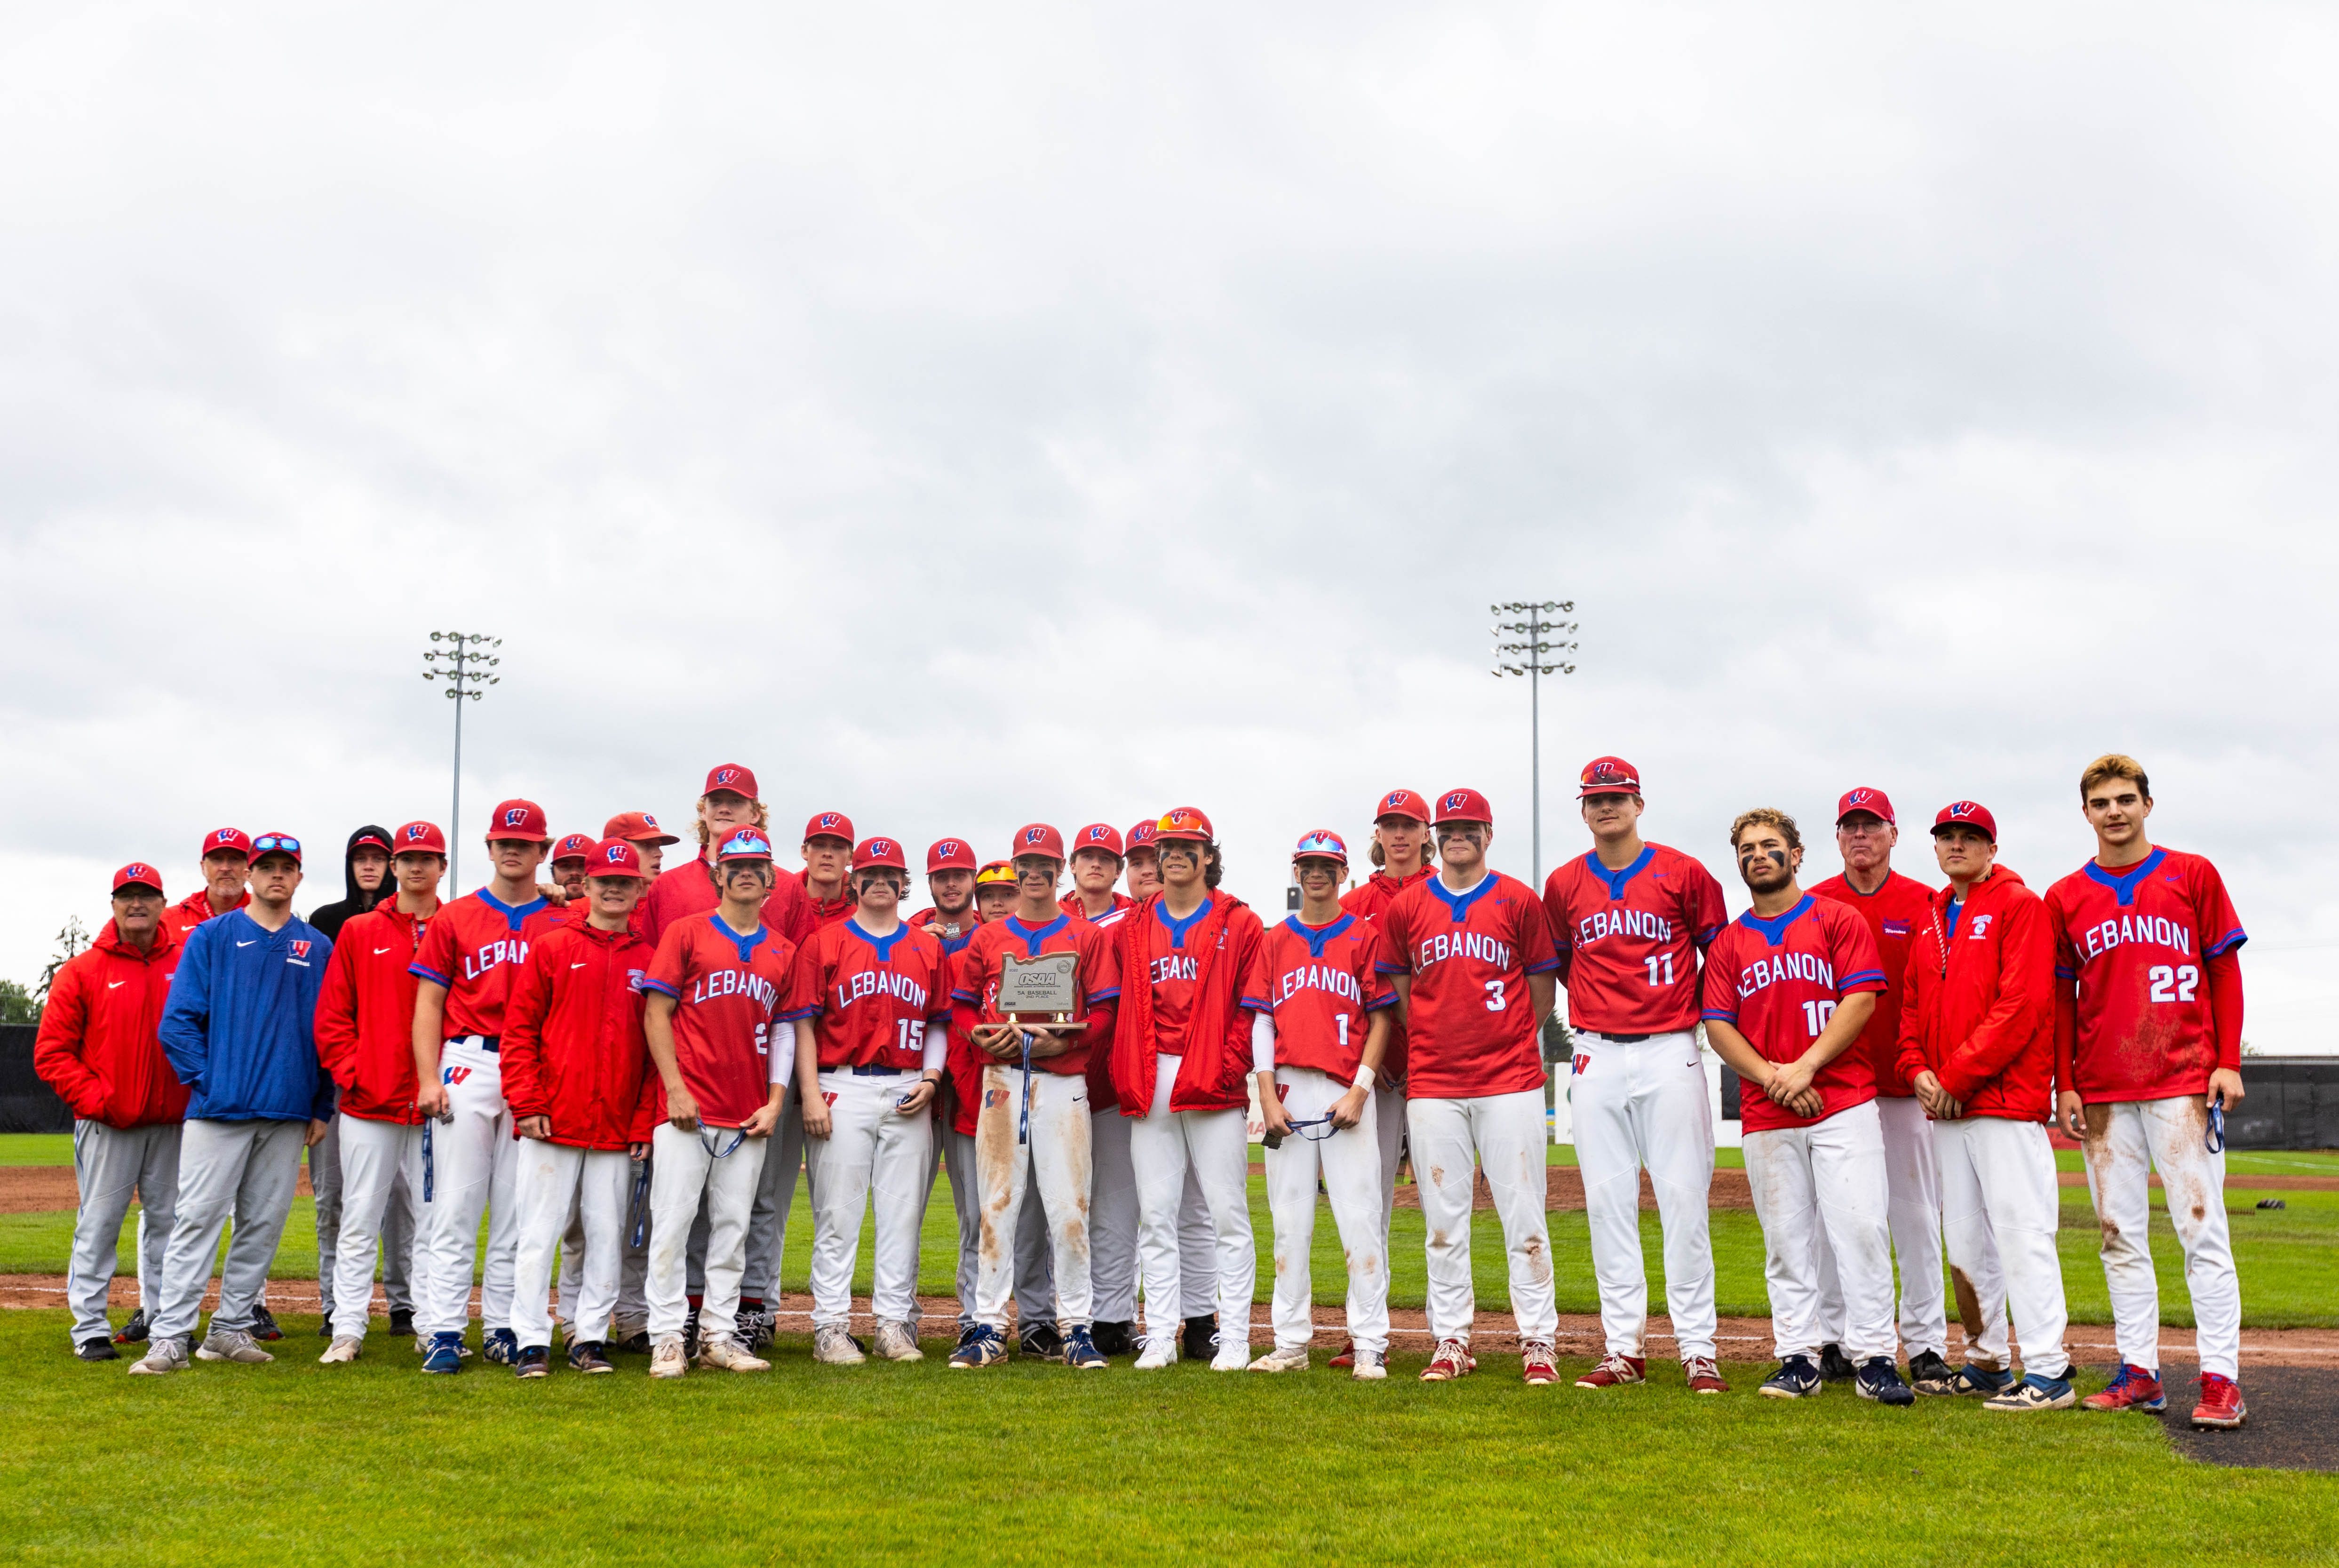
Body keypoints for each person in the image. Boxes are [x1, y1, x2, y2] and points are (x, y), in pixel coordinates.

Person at [2046, 755, 2250, 1429]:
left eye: (2125, 799)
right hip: (2104, 1090)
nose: (2115, 811)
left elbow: (2223, 967)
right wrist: (2066, 1080)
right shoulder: (2066, 895)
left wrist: (2227, 1060)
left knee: (2202, 1233)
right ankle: (2141, 1373)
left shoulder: (2191, 873)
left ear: (2148, 804)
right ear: (2086, 813)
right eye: (2101, 802)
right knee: (2118, 1236)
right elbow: (2063, 995)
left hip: (2182, 1079)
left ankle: (2221, 1379)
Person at [1700, 809, 1910, 1407]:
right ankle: (1797, 1355)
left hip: (1842, 1099)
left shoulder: (1834, 919)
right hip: (1769, 1111)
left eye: (1770, 846)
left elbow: (1861, 999)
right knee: (1786, 1240)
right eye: (1746, 848)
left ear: (1796, 855)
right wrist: (1775, 1078)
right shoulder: (1729, 943)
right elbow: (1718, 1026)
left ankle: (1874, 1357)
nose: (1757, 855)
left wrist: (1805, 1067)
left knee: (1861, 1228)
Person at [1539, 758, 1730, 1394]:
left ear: (1639, 803)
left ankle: (1698, 1348)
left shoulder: (1684, 872)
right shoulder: (1564, 882)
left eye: (1617, 797)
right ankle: (1624, 1349)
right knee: (1608, 1203)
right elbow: (1564, 962)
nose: (1607, 807)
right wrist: (1600, 1010)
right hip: (1596, 1052)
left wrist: (1685, 1016)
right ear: (1583, 808)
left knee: (1683, 1199)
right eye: (1596, 799)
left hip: (1670, 1047)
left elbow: (1720, 956)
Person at [1378, 789, 1563, 1385]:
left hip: (1508, 1080)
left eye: (1470, 827)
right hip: (1434, 1082)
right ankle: (1452, 1339)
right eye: (1449, 828)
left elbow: (1542, 992)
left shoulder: (1517, 900)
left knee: (1523, 1214)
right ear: (1437, 835)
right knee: (1442, 1220)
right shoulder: (1408, 906)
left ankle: (1538, 1340)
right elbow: (1403, 992)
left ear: (1488, 833)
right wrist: (1437, 1036)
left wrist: (1508, 1040)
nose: (1459, 836)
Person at [131, 834, 334, 1374]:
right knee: (196, 1220)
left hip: (288, 1111)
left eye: (285, 867)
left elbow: (328, 1031)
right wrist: (209, 1081)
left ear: (298, 877)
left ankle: (229, 1327)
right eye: (265, 866)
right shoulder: (213, 937)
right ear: (248, 874)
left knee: (263, 1225)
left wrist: (321, 1104)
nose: (275, 875)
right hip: (220, 1111)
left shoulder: (317, 946)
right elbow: (177, 1023)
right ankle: (170, 1336)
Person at [1898, 802, 2074, 1412]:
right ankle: (1988, 1360)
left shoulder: (2020, 905)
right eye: (1946, 835)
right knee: (1967, 1242)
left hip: (2003, 1102)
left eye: (1969, 836)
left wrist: (1953, 1076)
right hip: (1949, 1107)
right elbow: (1912, 1011)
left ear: (1991, 847)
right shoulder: (1932, 915)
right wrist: (1917, 1070)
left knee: (2023, 1234)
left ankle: (2050, 1371)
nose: (1955, 844)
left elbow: (2021, 1006)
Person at [639, 766, 818, 1354]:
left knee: (734, 1227)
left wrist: (775, 1102)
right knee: (671, 1223)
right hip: (690, 1099)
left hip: (748, 1107)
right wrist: (674, 1089)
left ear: (772, 880)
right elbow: (656, 1013)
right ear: (718, 874)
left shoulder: (784, 949)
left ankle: (720, 1335)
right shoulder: (686, 930)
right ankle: (668, 1334)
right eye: (734, 868)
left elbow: (788, 1030)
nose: (745, 876)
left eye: (755, 869)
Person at [949, 825, 1120, 1371]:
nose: (1036, 872)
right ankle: (989, 1328)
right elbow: (960, 1009)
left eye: (1046, 863)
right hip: (1001, 1078)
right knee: (996, 1205)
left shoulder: (1085, 935)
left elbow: (1106, 1013)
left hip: (1064, 1079)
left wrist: (1063, 1038)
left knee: (1069, 1209)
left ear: (1060, 869)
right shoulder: (987, 936)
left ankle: (1076, 1328)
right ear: (1016, 868)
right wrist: (977, 1034)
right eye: (1027, 862)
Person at [1807, 788, 1957, 1393]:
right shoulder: (1815, 901)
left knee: (1915, 1216)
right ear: (1838, 837)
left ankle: (1924, 1344)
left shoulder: (1925, 902)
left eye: (1871, 825)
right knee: (1833, 1221)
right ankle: (1836, 1339)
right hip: (1840, 1086)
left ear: (1893, 834)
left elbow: (1943, 989)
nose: (1860, 835)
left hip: (1903, 1084)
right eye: (1850, 826)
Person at [788, 837, 953, 1364]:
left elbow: (937, 1023)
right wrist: (811, 1092)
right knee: (837, 1215)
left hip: (908, 1085)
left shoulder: (926, 947)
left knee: (902, 1215)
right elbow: (804, 1026)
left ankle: (893, 1326)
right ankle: (831, 1327)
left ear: (904, 884)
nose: (880, 882)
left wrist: (931, 1078)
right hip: (845, 1084)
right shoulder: (824, 942)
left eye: (891, 875)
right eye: (872, 873)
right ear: (855, 881)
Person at [407, 799, 558, 1372]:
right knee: (456, 1203)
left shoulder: (560, 918)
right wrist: (428, 1077)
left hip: (534, 1067)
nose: (512, 849)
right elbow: (429, 1002)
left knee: (518, 1208)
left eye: (524, 842)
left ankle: (503, 1325)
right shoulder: (456, 917)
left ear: (543, 851)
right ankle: (444, 1329)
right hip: (470, 1058)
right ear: (490, 848)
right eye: (503, 841)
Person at [1111, 807, 1264, 1372]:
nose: (1173, 855)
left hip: (1212, 1079)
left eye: (1185, 847)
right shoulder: (1134, 923)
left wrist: (1228, 1067)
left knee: (1226, 1214)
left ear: (1208, 857)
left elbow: (1253, 1009)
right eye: (1165, 847)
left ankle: (1238, 1338)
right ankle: (1158, 1337)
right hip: (1151, 1077)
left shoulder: (1240, 922)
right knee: (1156, 1213)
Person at [499, 839, 658, 1377]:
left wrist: (642, 1122)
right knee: (539, 1234)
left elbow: (658, 1054)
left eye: (625, 881)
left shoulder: (649, 959)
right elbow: (518, 1031)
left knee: (605, 1235)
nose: (614, 888)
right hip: (553, 1118)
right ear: (585, 886)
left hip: (615, 1123)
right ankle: (529, 1340)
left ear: (640, 888)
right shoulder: (551, 946)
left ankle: (589, 1336)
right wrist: (526, 1102)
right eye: (603, 880)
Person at [1246, 830, 1395, 1380]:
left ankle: (1370, 1342)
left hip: (1343, 1087)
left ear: (1342, 873)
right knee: (1289, 1223)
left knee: (1360, 1218)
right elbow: (1262, 1018)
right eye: (1308, 865)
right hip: (1286, 1087)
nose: (1317, 874)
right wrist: (1265, 1094)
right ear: (1296, 872)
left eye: (1327, 866)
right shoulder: (1275, 938)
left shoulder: (1362, 935)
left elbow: (1380, 1017)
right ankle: (1290, 1342)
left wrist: (1360, 1089)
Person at [35, 862, 187, 1360]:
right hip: (108, 1124)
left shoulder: (187, 963)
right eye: (127, 896)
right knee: (99, 1224)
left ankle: (169, 1326)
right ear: (114, 904)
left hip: (173, 1123)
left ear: (164, 904)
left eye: (146, 895)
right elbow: (52, 1052)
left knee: (170, 1226)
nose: (137, 903)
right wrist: (99, 1101)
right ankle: (89, 1330)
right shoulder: (82, 971)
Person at [312, 822, 445, 1362]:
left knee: (434, 1221)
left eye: (427, 858)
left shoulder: (456, 926)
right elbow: (332, 1016)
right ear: (394, 867)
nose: (416, 867)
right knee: (358, 1215)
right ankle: (347, 1328)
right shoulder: (360, 929)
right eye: (406, 858)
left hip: (436, 1103)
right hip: (370, 1100)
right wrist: (354, 1070)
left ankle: (434, 1326)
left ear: (441, 866)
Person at [924, 847, 1058, 1351]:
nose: (1000, 902)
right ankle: (974, 1315)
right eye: (991, 895)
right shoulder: (967, 953)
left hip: (1035, 1091)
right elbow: (953, 1024)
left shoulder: (1036, 952)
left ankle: (1038, 1319)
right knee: (978, 1217)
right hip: (973, 1099)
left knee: (1032, 1220)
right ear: (978, 903)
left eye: (1007, 892)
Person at [1333, 788, 1436, 1369]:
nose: (1398, 835)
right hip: (1375, 1074)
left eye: (1410, 825)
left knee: (1444, 1205)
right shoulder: (1353, 905)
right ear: (1376, 835)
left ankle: (1451, 1334)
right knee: (1365, 1204)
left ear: (1427, 833)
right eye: (1389, 825)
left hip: (1438, 1069)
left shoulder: (1445, 891)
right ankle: (1363, 1327)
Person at [1066, 824, 1142, 1357]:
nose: (1095, 865)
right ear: (1072, 865)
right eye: (1085, 857)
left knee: (1117, 1207)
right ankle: (1055, 1315)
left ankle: (1114, 1317)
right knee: (1060, 1206)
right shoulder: (1048, 914)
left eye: (1104, 858)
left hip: (1112, 1078)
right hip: (1056, 1077)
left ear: (1118, 870)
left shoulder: (1135, 919)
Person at [162, 828, 251, 940]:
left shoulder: (267, 914)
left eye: (235, 859)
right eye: (217, 860)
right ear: (203, 867)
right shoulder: (169, 921)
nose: (225, 868)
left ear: (249, 867)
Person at [798, 812, 858, 927]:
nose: (828, 854)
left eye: (838, 847)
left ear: (851, 857)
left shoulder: (865, 907)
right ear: (805, 851)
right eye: (819, 845)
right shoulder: (783, 900)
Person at [550, 834, 594, 905]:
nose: (574, 873)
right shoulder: (538, 908)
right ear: (553, 875)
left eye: (583, 866)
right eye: (565, 866)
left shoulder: (614, 911)